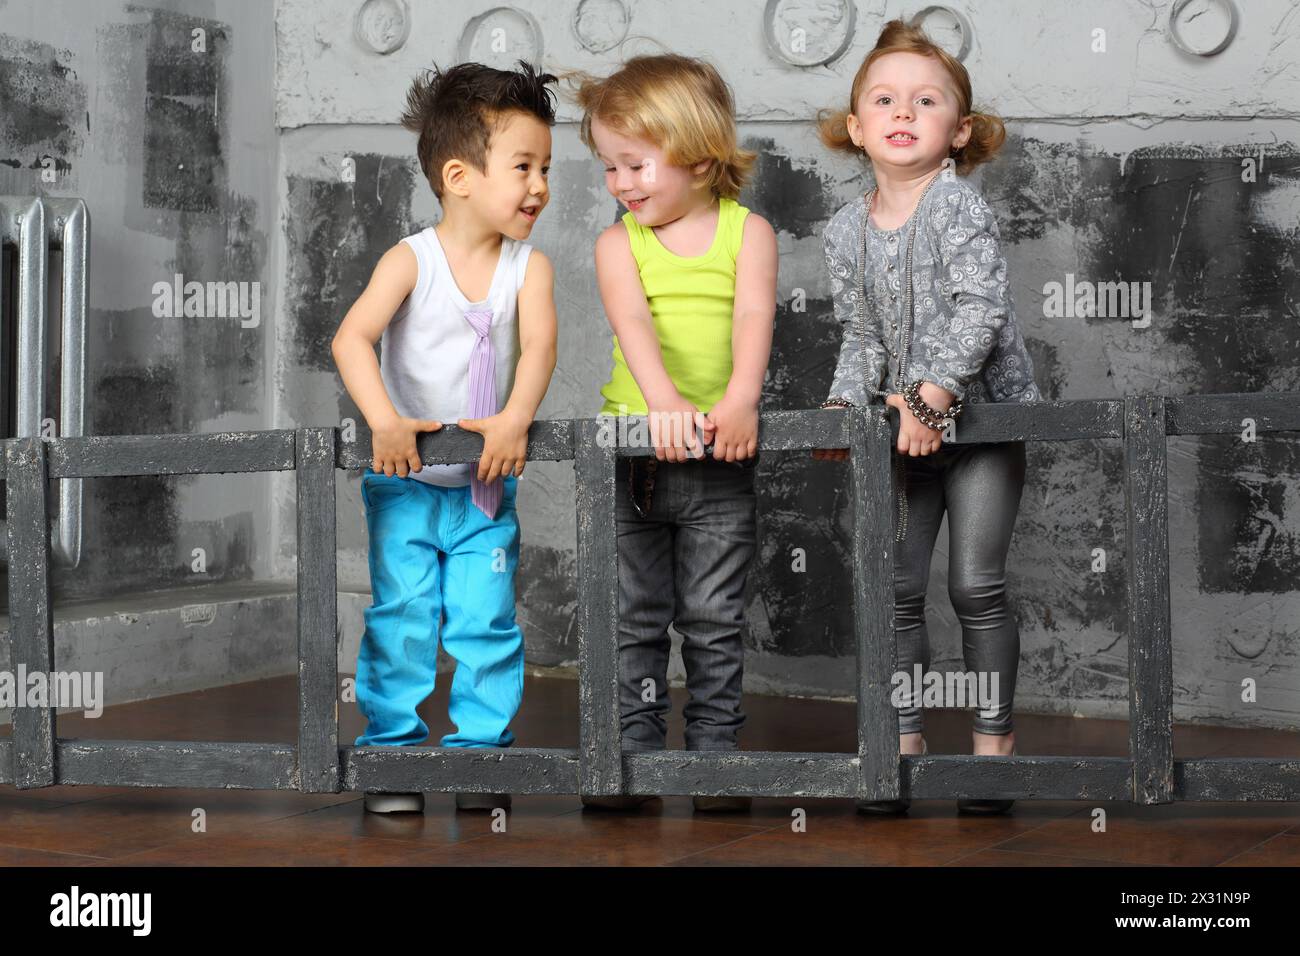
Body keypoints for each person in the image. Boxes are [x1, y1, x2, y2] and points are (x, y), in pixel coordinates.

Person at [812, 19, 1042, 815]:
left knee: (975, 585)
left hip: (979, 427)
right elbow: (863, 334)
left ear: (959, 130)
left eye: (926, 99)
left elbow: (979, 311)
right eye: (883, 98)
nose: (902, 110)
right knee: (898, 587)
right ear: (856, 127)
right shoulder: (844, 229)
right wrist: (847, 407)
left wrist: (929, 398)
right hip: (900, 434)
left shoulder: (957, 208)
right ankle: (903, 743)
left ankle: (992, 746)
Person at [330, 61, 559, 814]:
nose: (540, 187)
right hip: (406, 482)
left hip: (482, 489)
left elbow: (541, 348)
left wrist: (517, 416)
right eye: (524, 167)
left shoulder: (529, 269)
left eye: (546, 168)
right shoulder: (411, 260)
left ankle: (480, 755)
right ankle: (391, 753)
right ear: (460, 175)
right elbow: (352, 340)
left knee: (484, 621)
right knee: (400, 618)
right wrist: (384, 419)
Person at [571, 54, 778, 812]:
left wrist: (740, 399)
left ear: (696, 152)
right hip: (632, 458)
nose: (621, 183)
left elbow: (755, 315)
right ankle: (631, 754)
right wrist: (661, 406)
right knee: (633, 619)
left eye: (635, 163)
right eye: (609, 167)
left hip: (720, 455)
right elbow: (635, 330)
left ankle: (715, 756)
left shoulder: (746, 232)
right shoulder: (618, 244)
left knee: (716, 618)